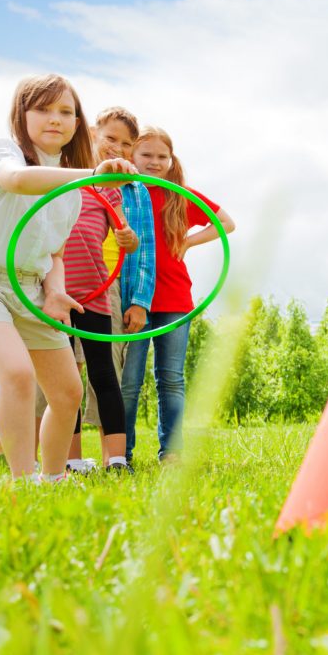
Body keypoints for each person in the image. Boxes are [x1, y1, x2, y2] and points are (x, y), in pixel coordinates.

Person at [0, 74, 134, 482]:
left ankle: (52, 480)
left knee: (67, 392)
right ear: (21, 115)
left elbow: (55, 251)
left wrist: (56, 292)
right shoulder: (5, 151)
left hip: (30, 289)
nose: (55, 119)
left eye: (66, 112)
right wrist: (93, 175)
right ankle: (22, 482)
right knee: (17, 372)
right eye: (43, 109)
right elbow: (18, 181)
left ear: (78, 123)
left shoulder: (73, 188)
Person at [120, 126, 235, 464]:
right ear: (132, 157)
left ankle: (171, 451)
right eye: (147, 155)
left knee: (170, 379)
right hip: (135, 298)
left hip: (174, 299)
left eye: (162, 157)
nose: (154, 162)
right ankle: (120, 454)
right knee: (129, 380)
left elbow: (226, 222)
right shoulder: (124, 192)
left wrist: (188, 241)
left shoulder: (179, 195)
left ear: (171, 161)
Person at [58, 120, 141, 473]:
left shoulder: (109, 190)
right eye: (110, 139)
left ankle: (118, 459)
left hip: (94, 290)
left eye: (126, 144)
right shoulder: (60, 178)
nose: (116, 147)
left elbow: (127, 234)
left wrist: (128, 239)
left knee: (103, 373)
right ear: (92, 135)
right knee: (66, 380)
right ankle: (72, 460)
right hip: (55, 293)